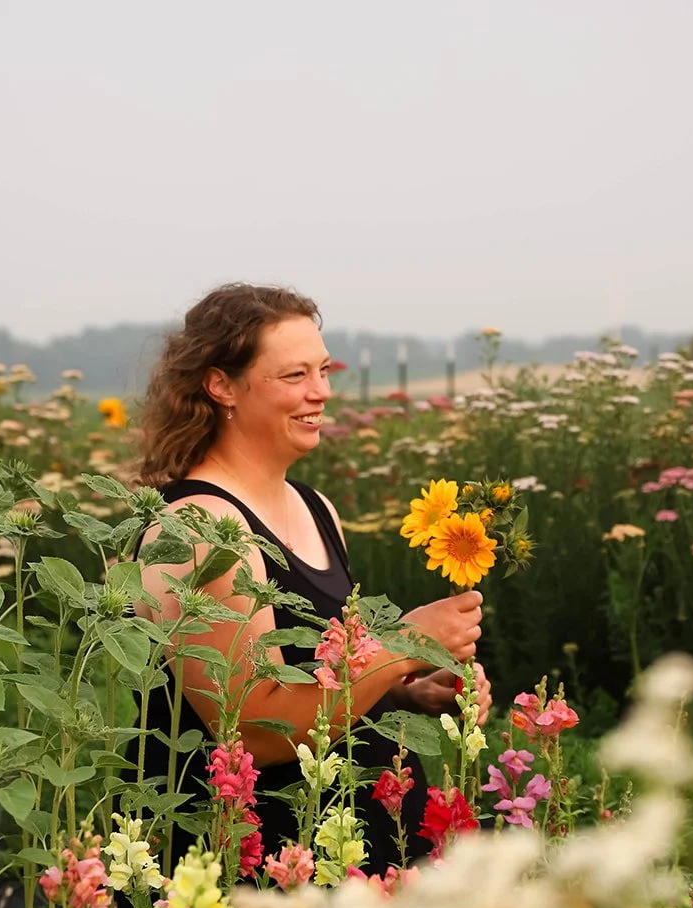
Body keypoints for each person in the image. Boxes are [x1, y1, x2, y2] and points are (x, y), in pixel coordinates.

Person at [130, 283, 489, 875]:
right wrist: (402, 645)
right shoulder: (199, 529)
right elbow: (254, 733)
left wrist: (405, 689)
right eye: (294, 375)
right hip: (258, 872)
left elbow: (315, 674)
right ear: (222, 385)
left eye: (322, 370)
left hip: (347, 848)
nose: (320, 391)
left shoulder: (316, 508)